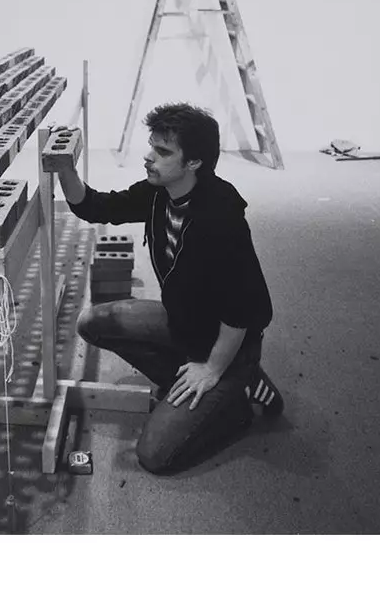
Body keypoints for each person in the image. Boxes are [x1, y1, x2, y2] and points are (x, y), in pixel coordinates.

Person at [51, 103, 283, 474]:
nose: (148, 157)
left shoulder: (220, 219)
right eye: (151, 145)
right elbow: (97, 207)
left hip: (226, 342)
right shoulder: (160, 192)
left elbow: (240, 312)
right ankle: (199, 383)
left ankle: (234, 397)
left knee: (155, 455)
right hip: (185, 321)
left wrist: (210, 369)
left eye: (162, 151)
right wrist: (65, 169)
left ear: (194, 163)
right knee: (92, 322)